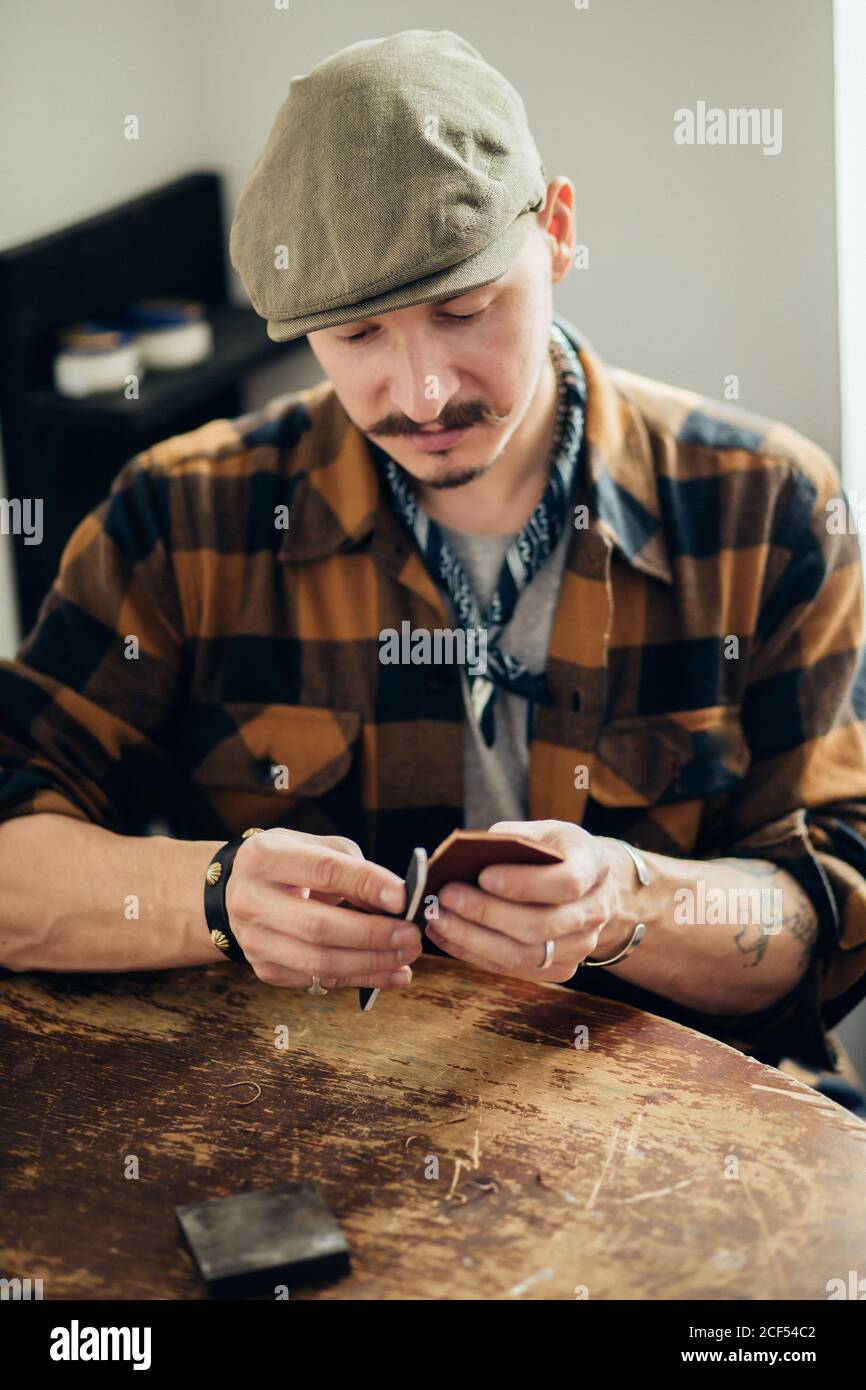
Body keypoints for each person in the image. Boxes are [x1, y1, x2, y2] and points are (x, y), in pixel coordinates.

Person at [2, 29, 865, 1078]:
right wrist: (213, 898)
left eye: (464, 309)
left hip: (675, 1154)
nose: (421, 395)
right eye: (357, 337)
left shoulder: (767, 506)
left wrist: (627, 904)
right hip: (299, 1129)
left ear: (555, 232)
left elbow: (833, 913)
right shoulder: (181, 517)